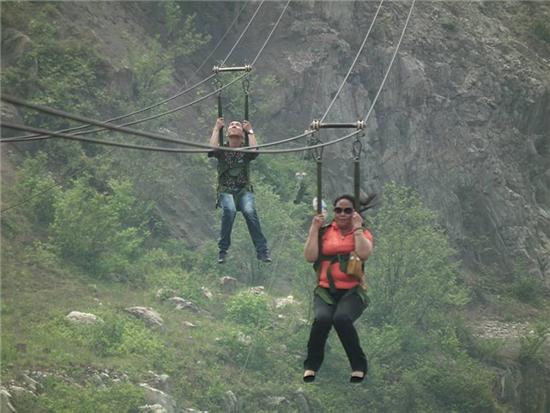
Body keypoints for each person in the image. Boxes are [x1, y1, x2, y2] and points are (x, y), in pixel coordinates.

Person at [302, 194, 373, 383]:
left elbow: (364, 253)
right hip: (325, 290)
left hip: (352, 291)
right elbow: (310, 257)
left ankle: (358, 366)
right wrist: (313, 229)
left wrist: (357, 227)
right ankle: (311, 365)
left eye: (347, 210)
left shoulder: (362, 232)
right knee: (322, 319)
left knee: (341, 319)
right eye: (338, 210)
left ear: (354, 213)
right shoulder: (324, 232)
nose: (342, 214)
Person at [208, 117, 271, 264]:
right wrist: (217, 128)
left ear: (242, 134)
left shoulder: (246, 150)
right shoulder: (222, 150)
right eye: (231, 125)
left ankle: (262, 251)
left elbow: (255, 151)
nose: (234, 126)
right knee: (228, 210)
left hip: (243, 191)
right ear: (227, 132)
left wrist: (250, 131)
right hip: (226, 190)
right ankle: (222, 250)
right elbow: (212, 148)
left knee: (250, 212)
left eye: (237, 125)